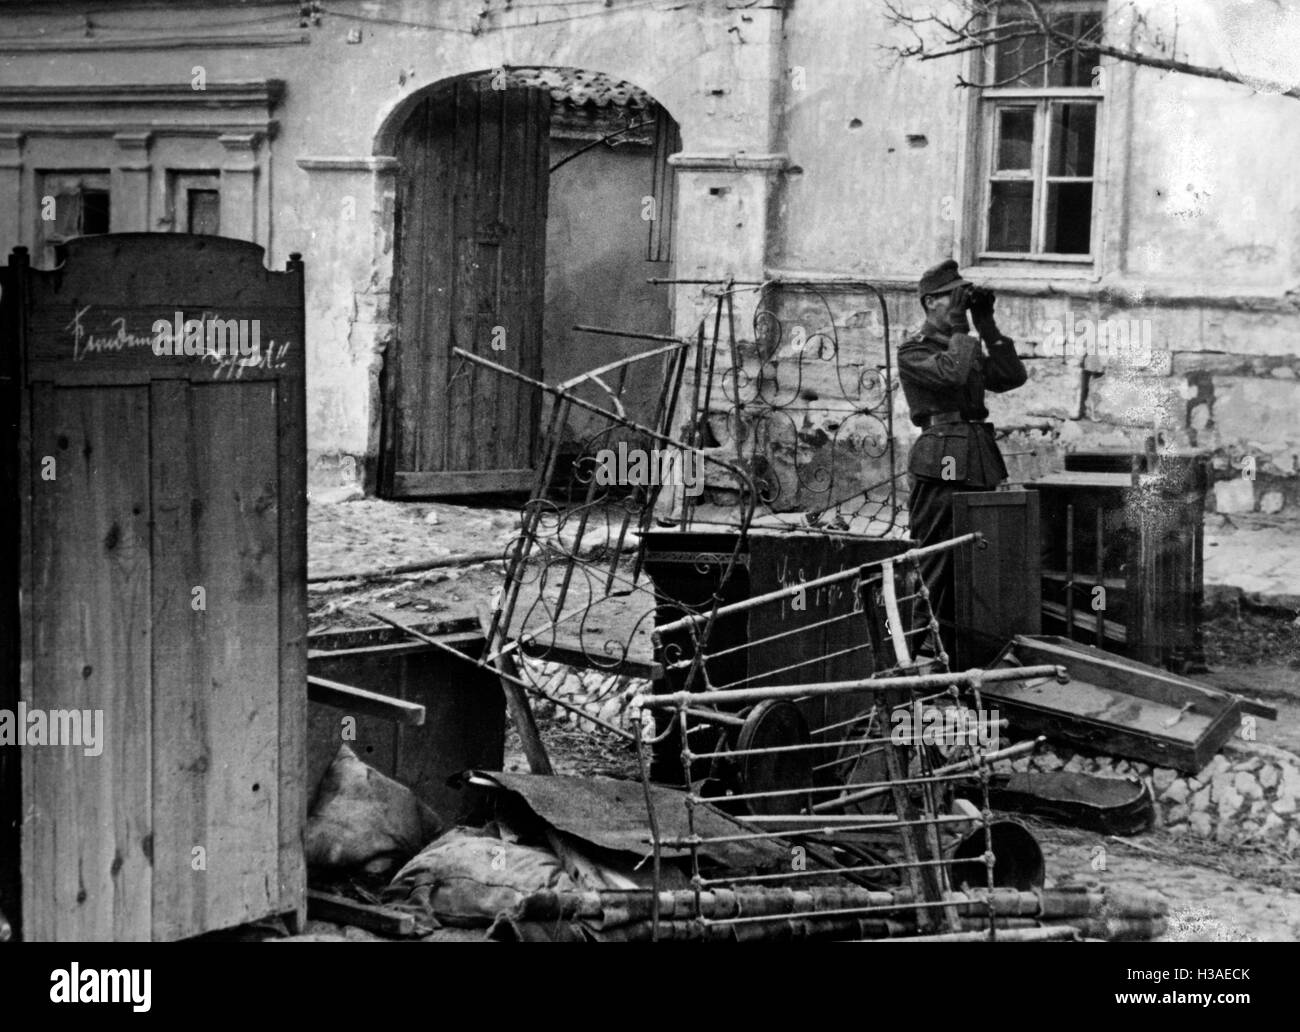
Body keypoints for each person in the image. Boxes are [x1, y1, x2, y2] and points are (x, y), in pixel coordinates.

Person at [897, 259, 1027, 663]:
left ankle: (968, 651)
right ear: (930, 301)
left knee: (980, 557)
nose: (959, 303)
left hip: (978, 457)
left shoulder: (964, 342)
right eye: (952, 296)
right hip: (941, 458)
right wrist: (960, 327)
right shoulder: (914, 348)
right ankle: (909, 654)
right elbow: (953, 375)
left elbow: (1010, 377)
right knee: (935, 559)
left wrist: (986, 323)